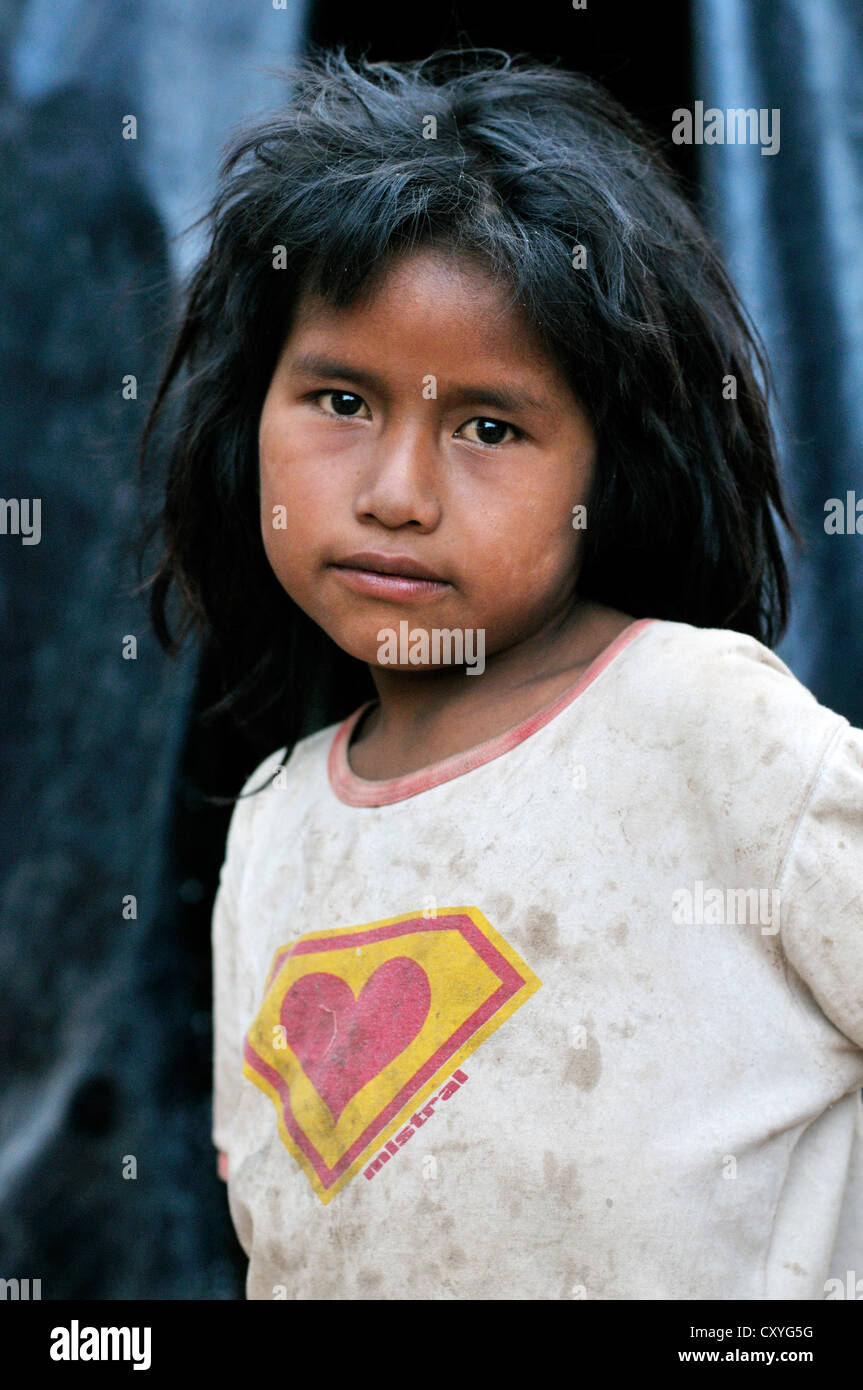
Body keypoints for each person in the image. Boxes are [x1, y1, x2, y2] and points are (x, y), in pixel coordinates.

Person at [139, 47, 863, 1300]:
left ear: (607, 467)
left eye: (488, 426)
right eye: (340, 400)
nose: (396, 496)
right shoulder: (271, 822)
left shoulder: (705, 729)